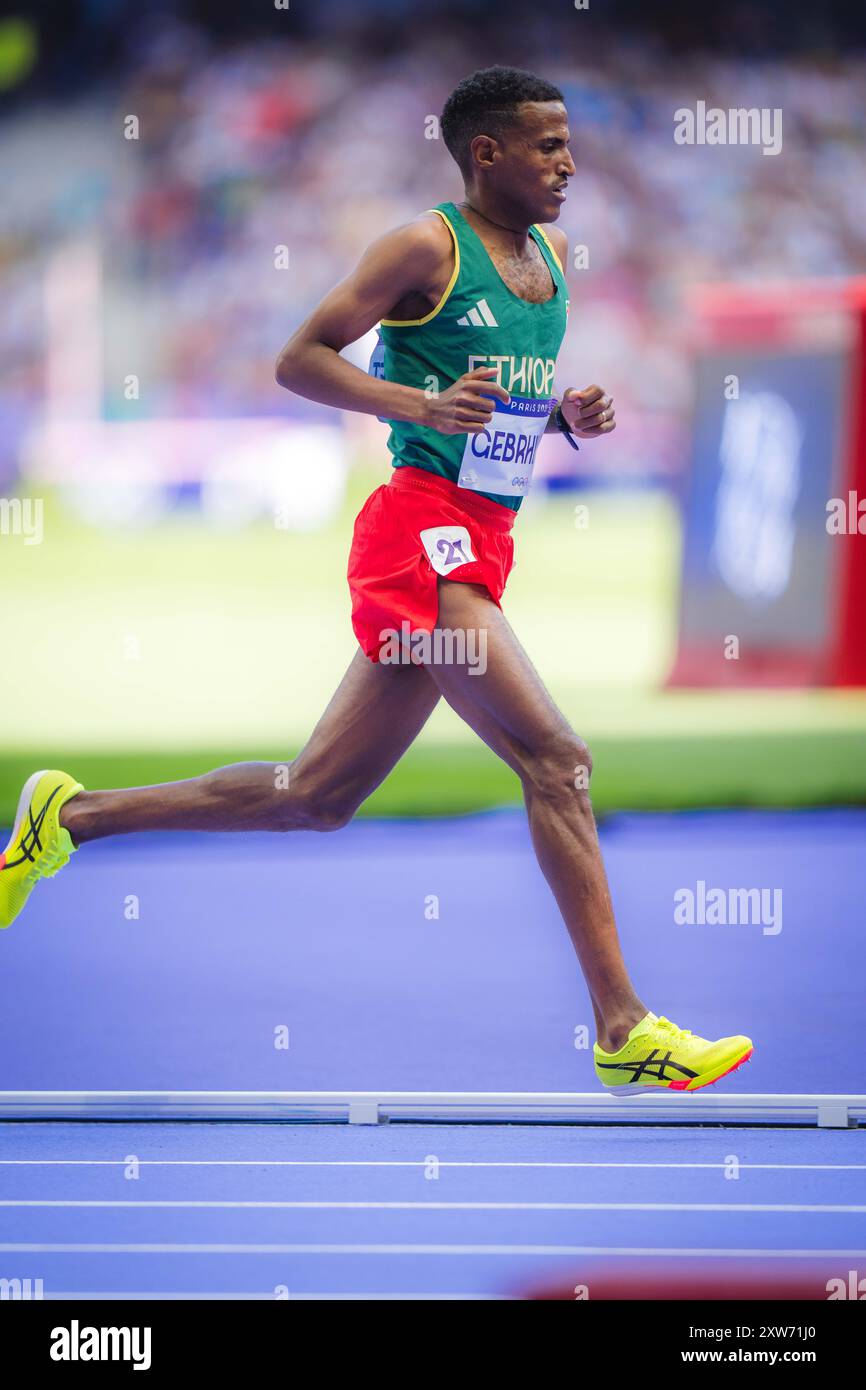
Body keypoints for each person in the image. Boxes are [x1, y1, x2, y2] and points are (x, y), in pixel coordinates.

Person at [1, 66, 752, 1093]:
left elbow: (494, 405)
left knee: (314, 799)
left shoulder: (552, 256)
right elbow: (297, 359)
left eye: (567, 143)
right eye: (546, 145)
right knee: (556, 758)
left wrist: (557, 418)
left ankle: (69, 817)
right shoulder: (422, 247)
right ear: (484, 153)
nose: (568, 162)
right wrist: (417, 402)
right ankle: (622, 1030)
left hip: (483, 536)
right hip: (418, 536)